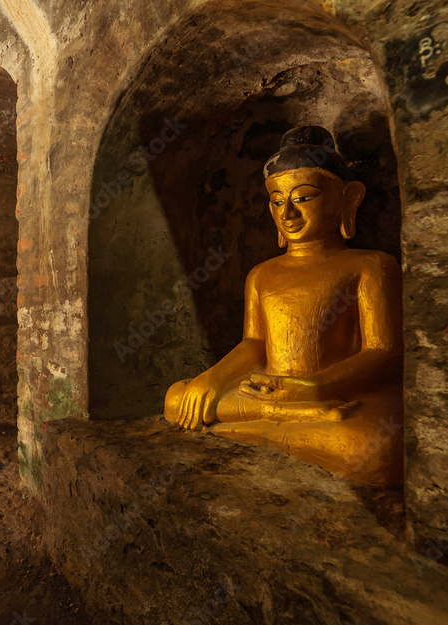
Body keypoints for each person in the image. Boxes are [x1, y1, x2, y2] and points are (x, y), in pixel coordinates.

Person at [163, 126, 403, 487]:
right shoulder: (262, 274)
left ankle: (253, 431)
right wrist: (211, 379)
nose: (288, 213)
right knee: (178, 397)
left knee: (378, 450)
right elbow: (255, 345)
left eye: (303, 197)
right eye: (277, 201)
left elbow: (384, 352)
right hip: (273, 394)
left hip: (338, 395)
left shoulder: (371, 265)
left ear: (348, 199)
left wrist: (315, 387)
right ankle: (275, 419)